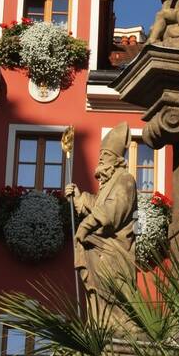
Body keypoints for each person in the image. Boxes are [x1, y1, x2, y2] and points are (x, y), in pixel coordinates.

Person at [66, 122, 137, 312]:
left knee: (114, 296)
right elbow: (98, 205)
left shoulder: (125, 180)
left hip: (115, 251)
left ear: (115, 160)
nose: (100, 161)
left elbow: (113, 210)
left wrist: (85, 226)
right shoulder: (108, 184)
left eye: (105, 156)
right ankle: (101, 326)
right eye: (100, 156)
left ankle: (120, 328)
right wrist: (78, 197)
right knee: (100, 296)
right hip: (102, 249)